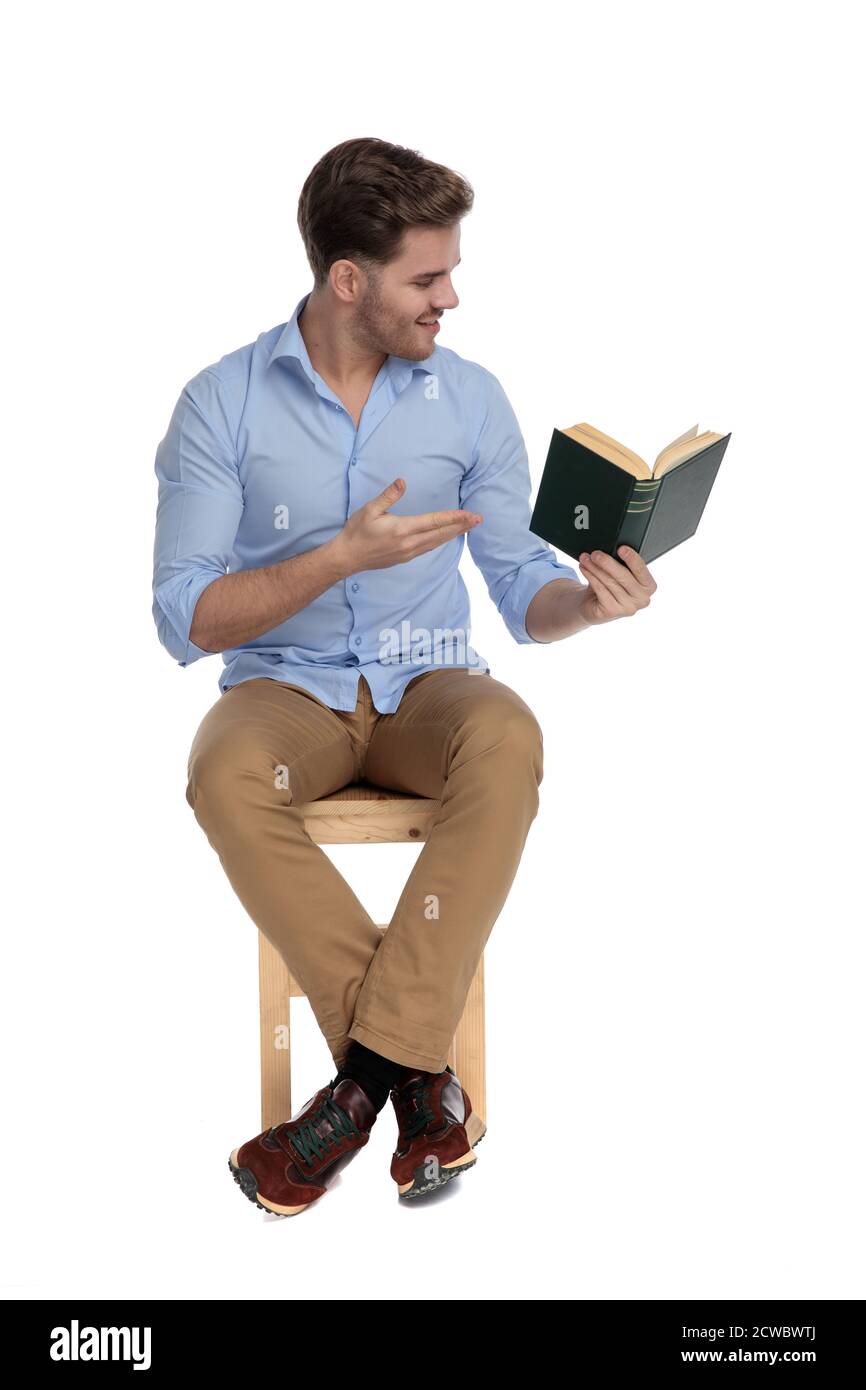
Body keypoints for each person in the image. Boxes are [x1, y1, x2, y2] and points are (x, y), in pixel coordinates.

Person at [151, 136, 657, 1215]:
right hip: (286, 695)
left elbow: (522, 587)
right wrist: (336, 556)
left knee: (508, 733)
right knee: (221, 771)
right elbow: (183, 616)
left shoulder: (468, 399)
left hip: (431, 687)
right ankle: (418, 1083)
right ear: (348, 280)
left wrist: (591, 599)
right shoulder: (220, 402)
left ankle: (353, 1092)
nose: (451, 298)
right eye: (427, 278)